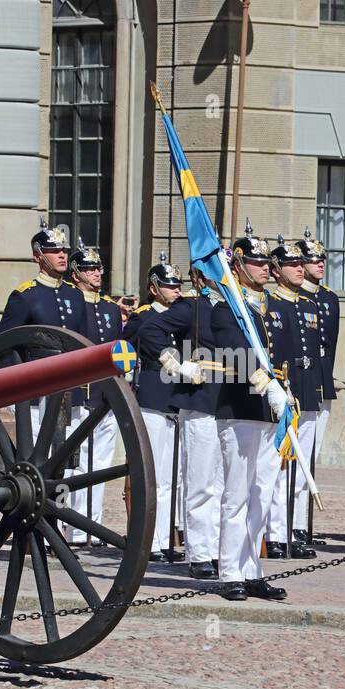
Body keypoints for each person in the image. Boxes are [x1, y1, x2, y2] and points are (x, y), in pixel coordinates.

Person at [210, 223, 289, 600]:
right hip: (240, 406)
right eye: (255, 262)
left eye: (265, 262)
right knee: (237, 492)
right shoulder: (228, 307)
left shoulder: (270, 307)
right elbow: (233, 355)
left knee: (263, 493)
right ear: (238, 265)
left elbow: (282, 358)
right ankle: (229, 571)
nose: (264, 268)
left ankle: (252, 568)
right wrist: (266, 383)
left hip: (271, 412)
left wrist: (285, 394)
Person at [140, 264, 223, 580]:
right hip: (200, 397)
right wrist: (177, 365)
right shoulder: (193, 307)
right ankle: (199, 553)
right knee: (200, 481)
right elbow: (151, 331)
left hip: (229, 401)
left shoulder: (236, 307)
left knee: (221, 483)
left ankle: (217, 549)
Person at [122, 258, 190, 562]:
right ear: (153, 288)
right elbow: (122, 353)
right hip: (151, 394)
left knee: (175, 476)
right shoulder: (142, 317)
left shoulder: (184, 316)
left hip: (180, 396)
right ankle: (151, 542)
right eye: (168, 286)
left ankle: (166, 540)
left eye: (178, 286)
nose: (175, 291)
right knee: (155, 475)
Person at [0, 218, 87, 440]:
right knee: (41, 456)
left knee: (69, 461)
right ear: (37, 256)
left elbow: (82, 341)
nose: (62, 255)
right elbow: (4, 345)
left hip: (70, 389)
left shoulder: (74, 295)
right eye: (54, 251)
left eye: (64, 250)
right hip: (36, 391)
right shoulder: (25, 296)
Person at [265, 235, 322, 560]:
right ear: (276, 270)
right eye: (292, 264)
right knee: (279, 467)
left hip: (306, 391)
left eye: (301, 263)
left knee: (301, 468)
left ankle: (292, 529)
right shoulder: (272, 305)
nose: (300, 269)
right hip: (283, 392)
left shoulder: (309, 304)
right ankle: (274, 533)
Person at [64, 239, 125, 544]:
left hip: (104, 395)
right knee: (76, 464)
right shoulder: (70, 303)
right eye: (89, 268)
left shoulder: (110, 308)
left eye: (98, 267)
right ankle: (75, 529)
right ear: (76, 273)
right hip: (77, 393)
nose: (97, 273)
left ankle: (93, 525)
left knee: (100, 463)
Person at [298, 229, 338, 547]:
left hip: (322, 385)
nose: (319, 264)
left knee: (312, 456)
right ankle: (294, 524)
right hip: (301, 384)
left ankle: (303, 523)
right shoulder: (296, 298)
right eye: (313, 259)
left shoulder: (329, 299)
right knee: (296, 458)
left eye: (322, 259)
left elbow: (330, 346)